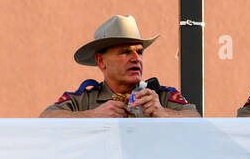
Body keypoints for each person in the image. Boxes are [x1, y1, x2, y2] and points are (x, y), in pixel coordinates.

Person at [40, 15, 197, 118]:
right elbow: (45, 119)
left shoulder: (160, 97)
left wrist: (163, 113)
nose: (136, 58)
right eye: (125, 52)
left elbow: (196, 119)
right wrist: (92, 116)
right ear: (101, 61)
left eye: (139, 52)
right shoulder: (84, 100)